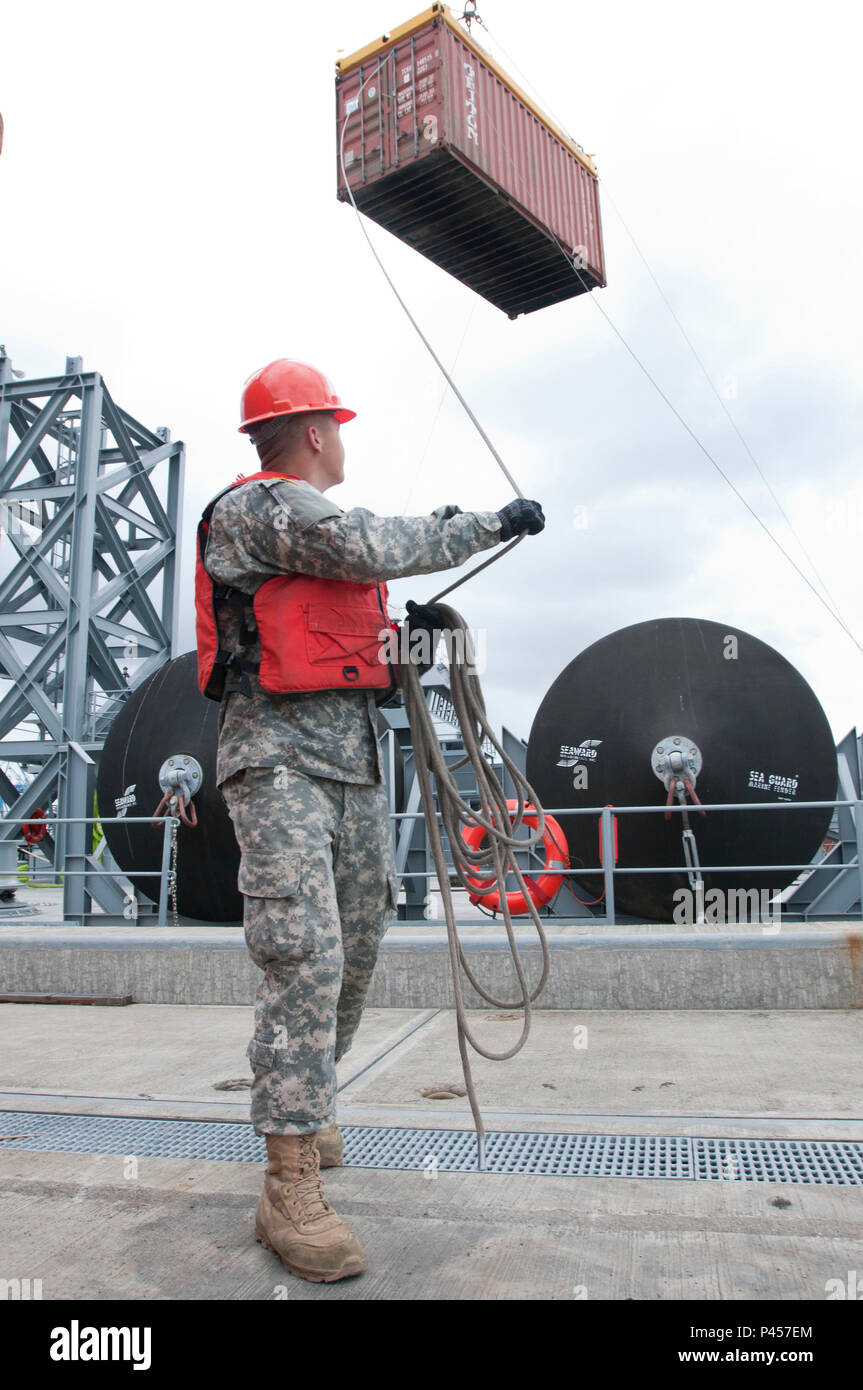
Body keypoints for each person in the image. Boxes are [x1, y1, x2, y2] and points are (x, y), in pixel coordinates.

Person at [196, 358, 544, 1284]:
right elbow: (363, 544)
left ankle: (309, 1107)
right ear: (314, 431)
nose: (340, 442)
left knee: (356, 945)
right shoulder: (261, 508)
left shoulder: (303, 529)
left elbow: (345, 613)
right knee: (301, 951)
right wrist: (484, 524)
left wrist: (409, 643)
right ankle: (287, 1179)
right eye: (336, 427)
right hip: (276, 760)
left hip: (351, 761)